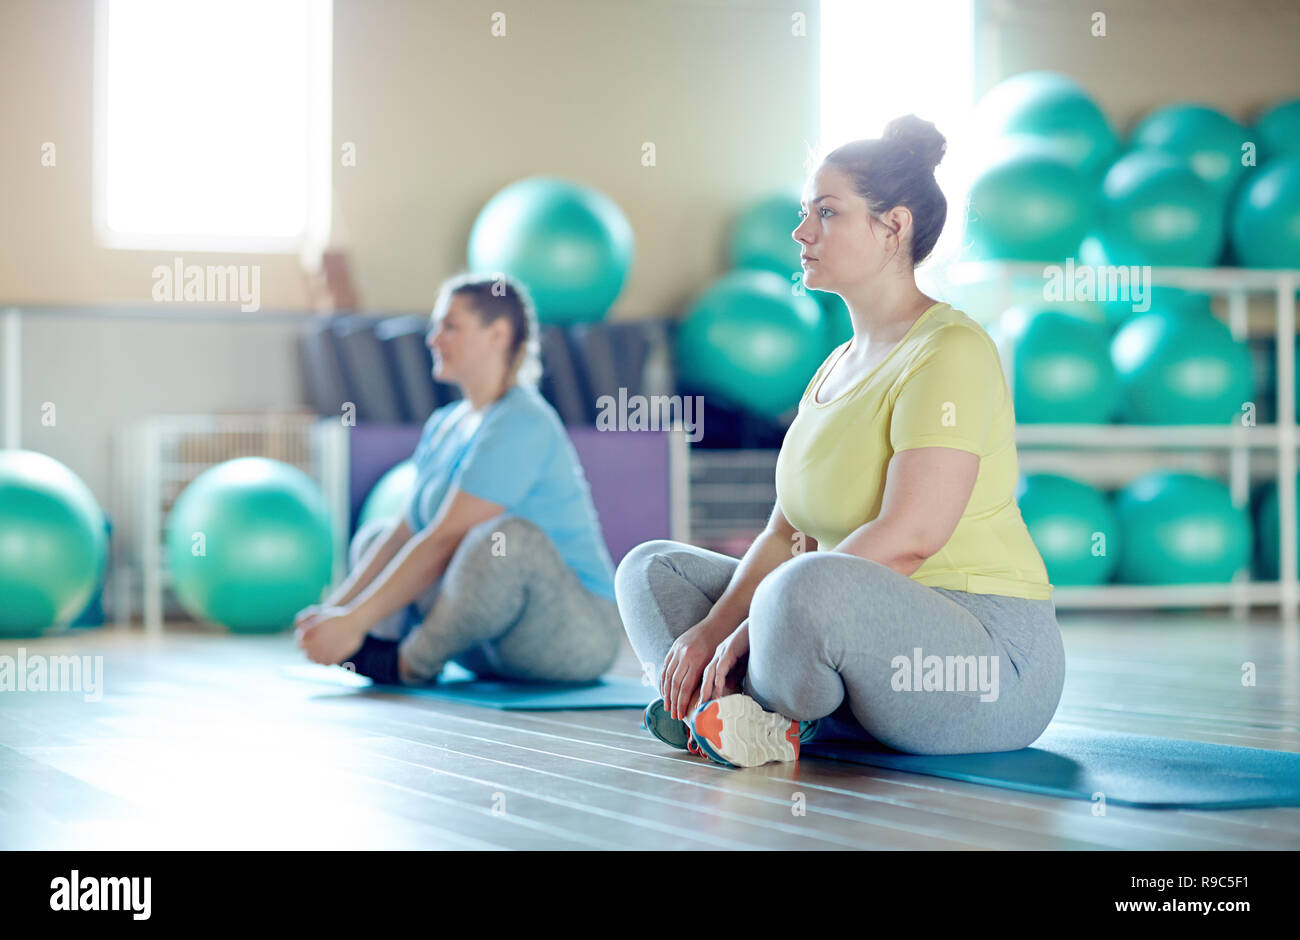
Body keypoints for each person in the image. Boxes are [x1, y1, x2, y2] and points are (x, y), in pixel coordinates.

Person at [616, 114, 1065, 768]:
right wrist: (712, 631)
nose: (801, 233)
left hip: (985, 662)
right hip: (847, 637)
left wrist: (753, 628)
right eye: (804, 213)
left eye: (826, 213)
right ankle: (734, 708)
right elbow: (783, 535)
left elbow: (911, 537)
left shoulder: (951, 350)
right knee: (651, 569)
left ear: (895, 226)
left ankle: (757, 712)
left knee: (801, 590)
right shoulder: (833, 365)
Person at [296, 273, 622, 686]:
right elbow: (405, 532)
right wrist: (336, 613)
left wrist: (355, 619)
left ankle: (410, 662)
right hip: (487, 639)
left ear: (498, 334)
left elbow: (444, 540)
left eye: (449, 326)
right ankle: (377, 646)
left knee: (506, 542)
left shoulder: (522, 419)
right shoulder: (445, 423)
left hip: (571, 633)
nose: (433, 339)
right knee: (377, 536)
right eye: (435, 327)